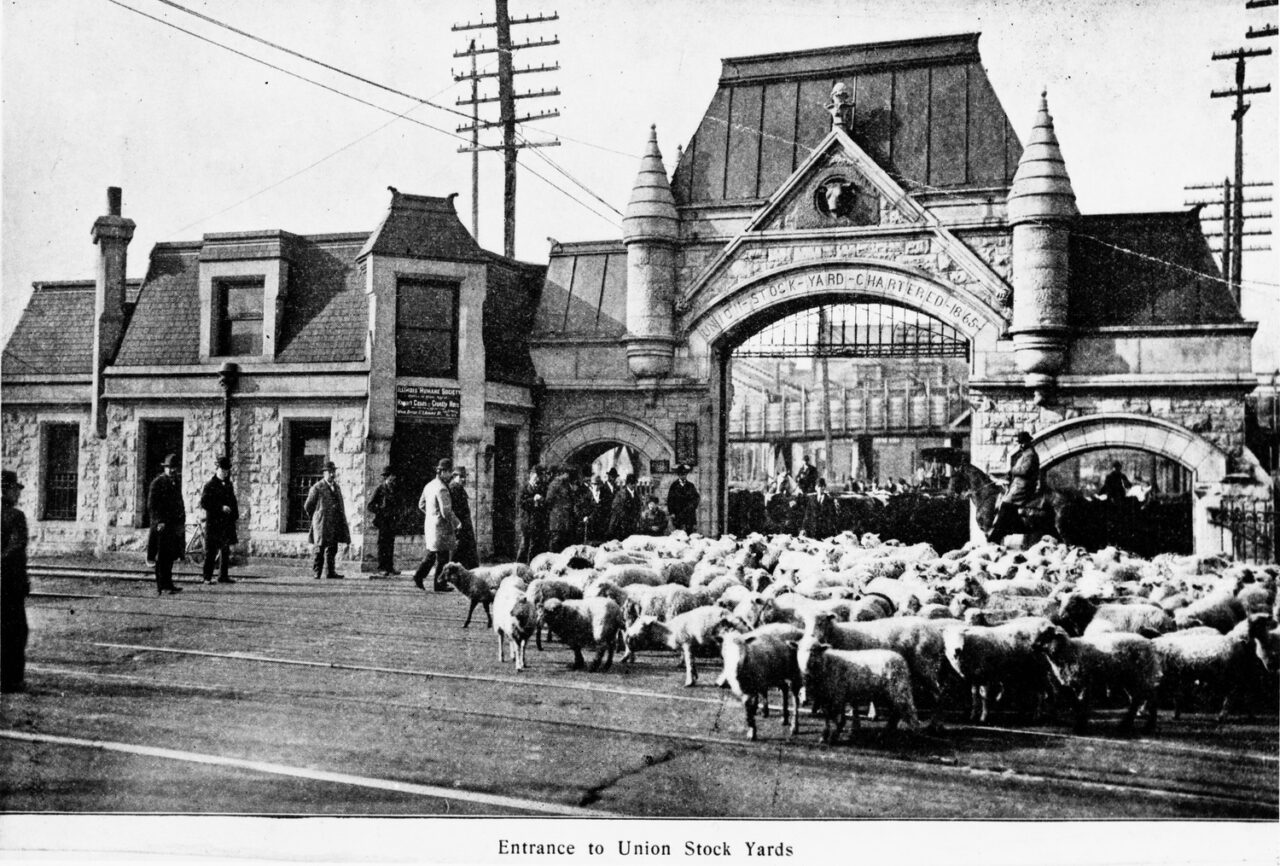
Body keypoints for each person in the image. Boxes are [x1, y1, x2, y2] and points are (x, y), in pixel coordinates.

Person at [2, 470, 30, 692]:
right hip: (10, 583)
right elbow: (16, 546)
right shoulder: (15, 516)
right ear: (7, 491)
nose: (18, 494)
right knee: (15, 631)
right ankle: (11, 679)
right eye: (15, 490)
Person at [414, 458, 459, 591]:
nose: (451, 475)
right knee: (442, 557)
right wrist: (457, 523)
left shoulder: (429, 485)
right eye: (450, 472)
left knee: (432, 554)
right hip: (441, 528)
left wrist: (432, 515)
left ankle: (419, 576)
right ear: (443, 472)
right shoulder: (442, 489)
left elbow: (421, 504)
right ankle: (439, 584)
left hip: (431, 526)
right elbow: (446, 512)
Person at [304, 461, 350, 580]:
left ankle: (330, 572)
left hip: (334, 522)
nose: (332, 474)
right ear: (324, 473)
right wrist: (317, 517)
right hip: (322, 523)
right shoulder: (317, 488)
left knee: (332, 548)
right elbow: (308, 506)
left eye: (333, 472)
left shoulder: (337, 487)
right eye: (329, 472)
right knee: (319, 548)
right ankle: (317, 572)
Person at [147, 453, 185, 595]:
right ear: (165, 468)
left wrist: (181, 521)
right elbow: (152, 506)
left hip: (172, 526)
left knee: (169, 557)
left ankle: (168, 584)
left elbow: (179, 504)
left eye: (174, 468)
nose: (172, 470)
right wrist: (159, 521)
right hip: (161, 526)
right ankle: (161, 585)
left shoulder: (175, 483)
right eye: (169, 467)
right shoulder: (157, 483)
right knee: (161, 557)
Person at [991, 432, 1040, 540]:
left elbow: (1024, 470)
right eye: (1020, 443)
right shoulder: (1025, 455)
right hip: (1018, 484)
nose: (1021, 445)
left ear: (1029, 442)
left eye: (1023, 442)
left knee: (1006, 503)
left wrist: (1012, 471)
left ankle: (997, 533)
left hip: (1024, 486)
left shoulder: (1030, 455)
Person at [199, 455, 239, 585]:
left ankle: (223, 576)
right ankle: (207, 577)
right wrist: (221, 507)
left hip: (226, 524)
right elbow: (205, 502)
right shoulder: (210, 485)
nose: (225, 473)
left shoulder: (228, 485)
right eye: (222, 470)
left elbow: (233, 501)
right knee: (211, 552)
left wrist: (234, 515)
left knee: (225, 550)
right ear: (217, 469)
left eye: (227, 471)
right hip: (214, 524)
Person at [367, 466, 401, 577]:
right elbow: (370, 506)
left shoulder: (395, 488)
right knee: (382, 545)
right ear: (387, 477)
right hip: (383, 521)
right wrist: (381, 510)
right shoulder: (380, 489)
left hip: (392, 521)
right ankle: (382, 567)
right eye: (392, 476)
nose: (393, 478)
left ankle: (390, 567)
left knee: (390, 544)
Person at [545, 465, 581, 553]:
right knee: (556, 543)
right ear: (563, 473)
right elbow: (548, 501)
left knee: (564, 544)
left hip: (565, 521)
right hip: (557, 520)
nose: (568, 477)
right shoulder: (555, 484)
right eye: (567, 474)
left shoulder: (566, 484)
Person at [517, 465, 548, 564]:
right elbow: (521, 503)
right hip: (527, 521)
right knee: (525, 545)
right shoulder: (524, 488)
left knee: (534, 546)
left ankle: (531, 565)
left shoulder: (541, 488)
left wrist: (541, 500)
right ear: (531, 475)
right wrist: (533, 500)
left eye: (538, 477)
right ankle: (519, 565)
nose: (537, 479)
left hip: (536, 522)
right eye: (535, 477)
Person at [450, 466, 479, 569]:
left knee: (465, 555)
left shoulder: (458, 488)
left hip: (464, 526)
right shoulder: (453, 488)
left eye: (464, 477)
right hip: (460, 526)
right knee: (458, 554)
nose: (463, 479)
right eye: (461, 477)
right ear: (454, 476)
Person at [666, 464, 701, 534]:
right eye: (681, 474)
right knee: (679, 533)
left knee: (689, 532)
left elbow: (696, 498)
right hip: (678, 514)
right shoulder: (674, 486)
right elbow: (670, 500)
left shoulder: (691, 486)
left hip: (689, 514)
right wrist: (672, 512)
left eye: (684, 474)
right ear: (678, 475)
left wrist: (692, 506)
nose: (683, 476)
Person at [608, 473, 640, 541]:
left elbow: (638, 507)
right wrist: (625, 517)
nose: (633, 485)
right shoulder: (621, 494)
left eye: (634, 483)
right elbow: (615, 506)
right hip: (621, 524)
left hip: (632, 523)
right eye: (631, 484)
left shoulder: (636, 495)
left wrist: (636, 517)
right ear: (627, 484)